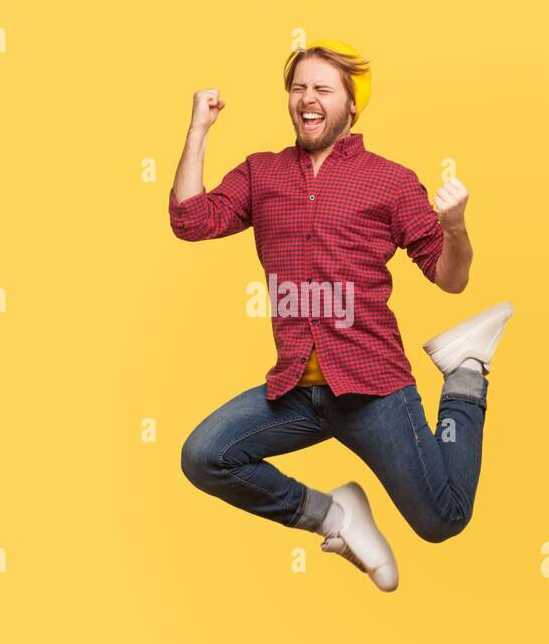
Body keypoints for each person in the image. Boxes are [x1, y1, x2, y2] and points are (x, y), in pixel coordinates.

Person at [168, 39, 513, 591]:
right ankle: (336, 516)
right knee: (205, 456)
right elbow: (191, 221)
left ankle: (466, 373)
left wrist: (455, 229)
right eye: (299, 87)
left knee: (443, 520)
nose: (308, 98)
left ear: (351, 106)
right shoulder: (262, 174)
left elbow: (451, 279)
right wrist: (197, 132)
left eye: (322, 89)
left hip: (373, 389)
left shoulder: (391, 181)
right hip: (296, 393)